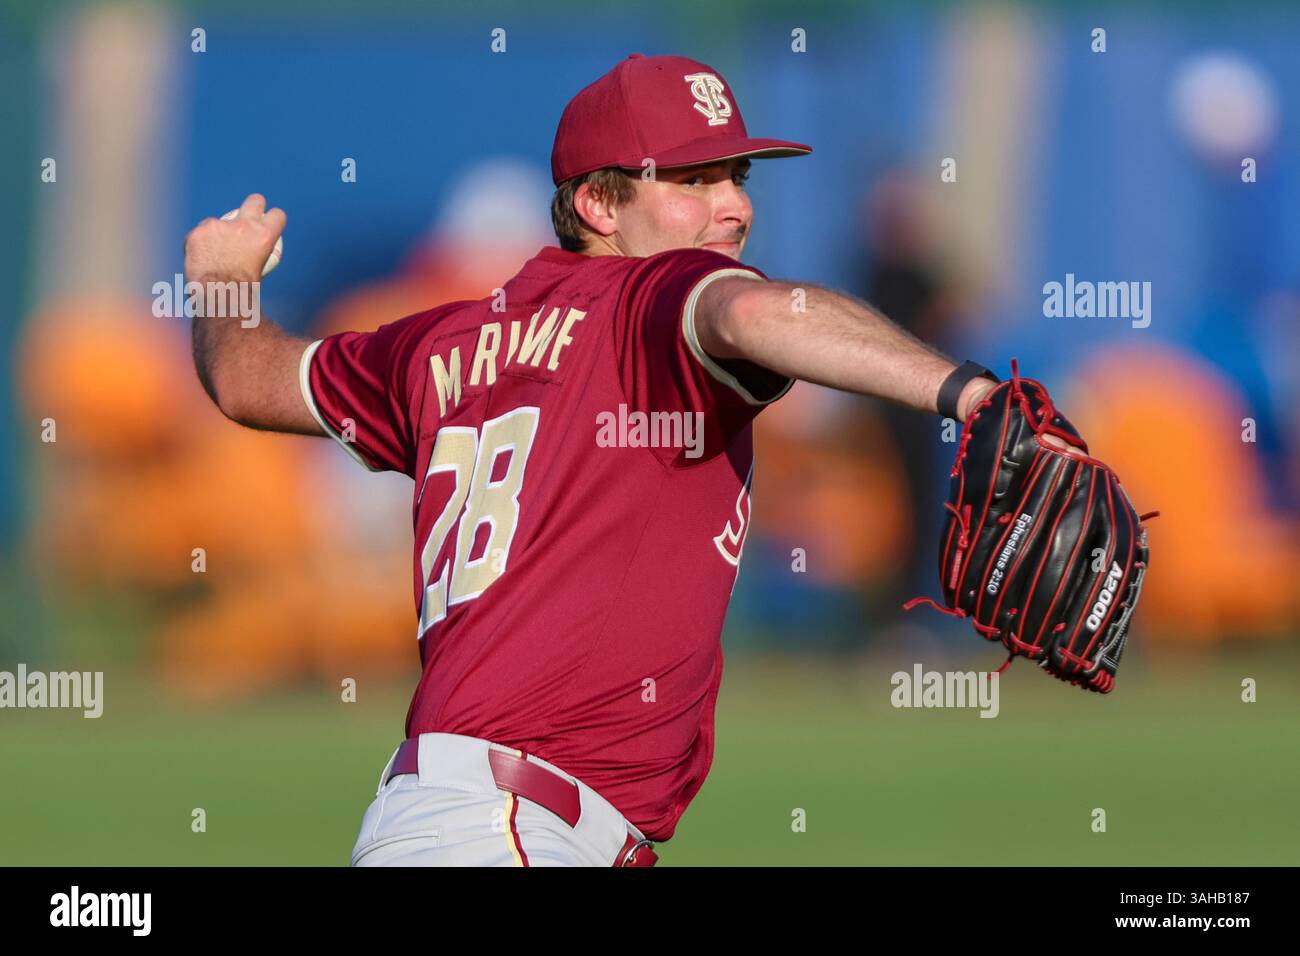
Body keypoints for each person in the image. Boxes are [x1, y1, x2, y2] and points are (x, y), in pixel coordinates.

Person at [183, 53, 1008, 867]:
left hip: (453, 821)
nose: (731, 207)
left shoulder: (435, 345)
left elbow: (246, 378)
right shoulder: (653, 304)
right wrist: (975, 397)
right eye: (691, 181)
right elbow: (756, 309)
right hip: (512, 827)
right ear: (598, 203)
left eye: (739, 178)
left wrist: (222, 280)